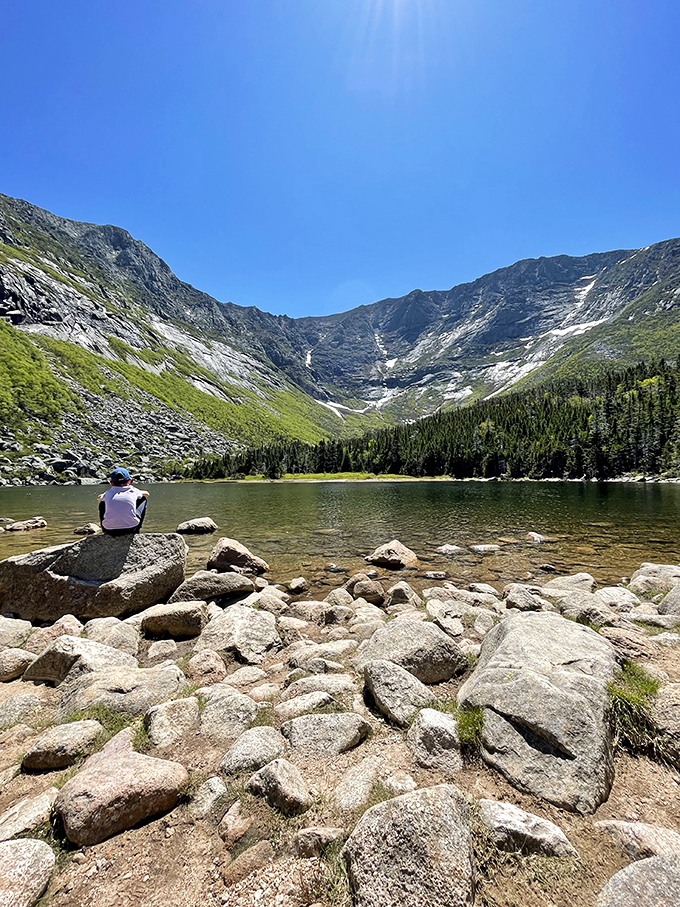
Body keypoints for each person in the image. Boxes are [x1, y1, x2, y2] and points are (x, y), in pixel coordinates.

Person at [98, 467, 149, 535]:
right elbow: (147, 494)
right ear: (129, 481)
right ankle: (137, 530)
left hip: (109, 530)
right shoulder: (133, 491)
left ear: (111, 483)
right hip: (131, 528)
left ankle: (104, 530)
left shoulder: (108, 493)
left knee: (102, 502)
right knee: (143, 499)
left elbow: (99, 498)